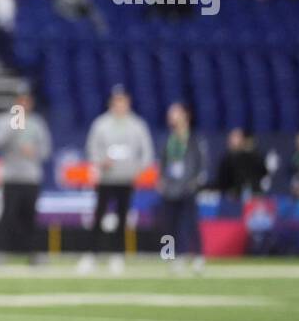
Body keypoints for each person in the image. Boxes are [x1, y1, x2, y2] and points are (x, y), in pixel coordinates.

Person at [78, 85, 153, 274]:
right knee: (99, 217)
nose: (120, 105)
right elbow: (91, 148)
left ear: (128, 103)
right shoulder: (101, 124)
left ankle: (117, 255)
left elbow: (147, 153)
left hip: (126, 180)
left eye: (123, 101)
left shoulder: (137, 125)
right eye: (116, 101)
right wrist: (100, 162)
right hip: (105, 179)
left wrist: (137, 170)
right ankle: (91, 254)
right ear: (111, 103)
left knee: (122, 218)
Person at [0, 92, 51, 262]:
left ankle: (34, 254)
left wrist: (34, 151)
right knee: (7, 216)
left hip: (31, 178)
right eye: (21, 102)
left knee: (30, 217)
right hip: (11, 177)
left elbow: (46, 151)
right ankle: (0, 252)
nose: (24, 105)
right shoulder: (4, 121)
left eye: (27, 101)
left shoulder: (37, 124)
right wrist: (14, 126)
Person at [157, 102, 208, 274]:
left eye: (175, 113)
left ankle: (198, 257)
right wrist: (161, 180)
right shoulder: (168, 140)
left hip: (187, 188)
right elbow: (163, 163)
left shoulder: (194, 139)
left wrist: (195, 181)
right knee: (169, 225)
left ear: (185, 116)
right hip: (170, 188)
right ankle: (170, 257)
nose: (171, 117)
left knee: (191, 224)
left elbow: (201, 164)